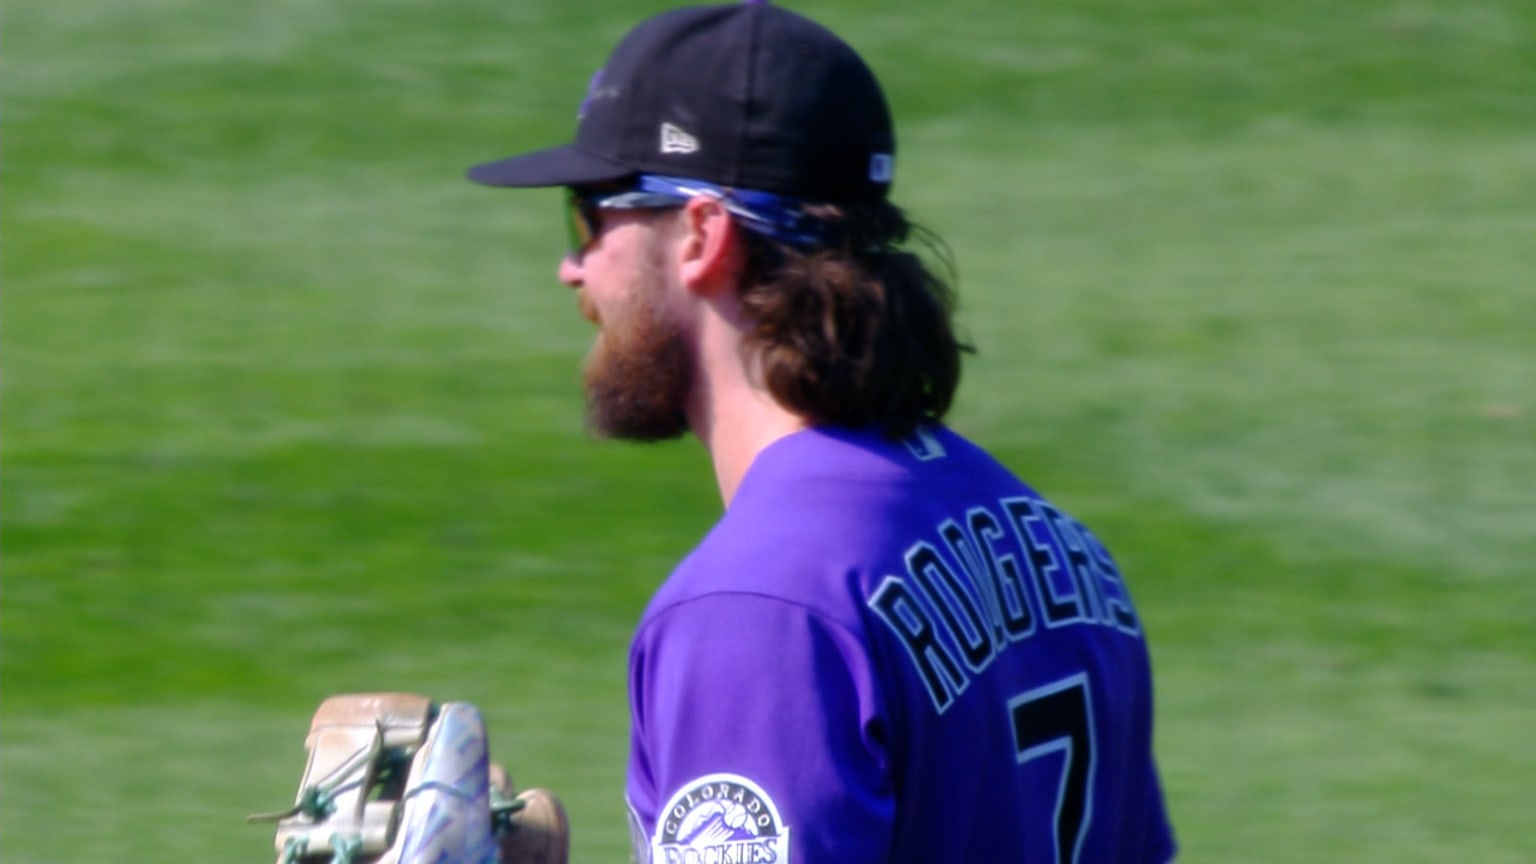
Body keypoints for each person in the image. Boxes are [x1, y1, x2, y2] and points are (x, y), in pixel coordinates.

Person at [467, 2, 1177, 862]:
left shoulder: (756, 612)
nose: (571, 267)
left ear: (701, 234)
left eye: (590, 216)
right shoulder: (1058, 548)